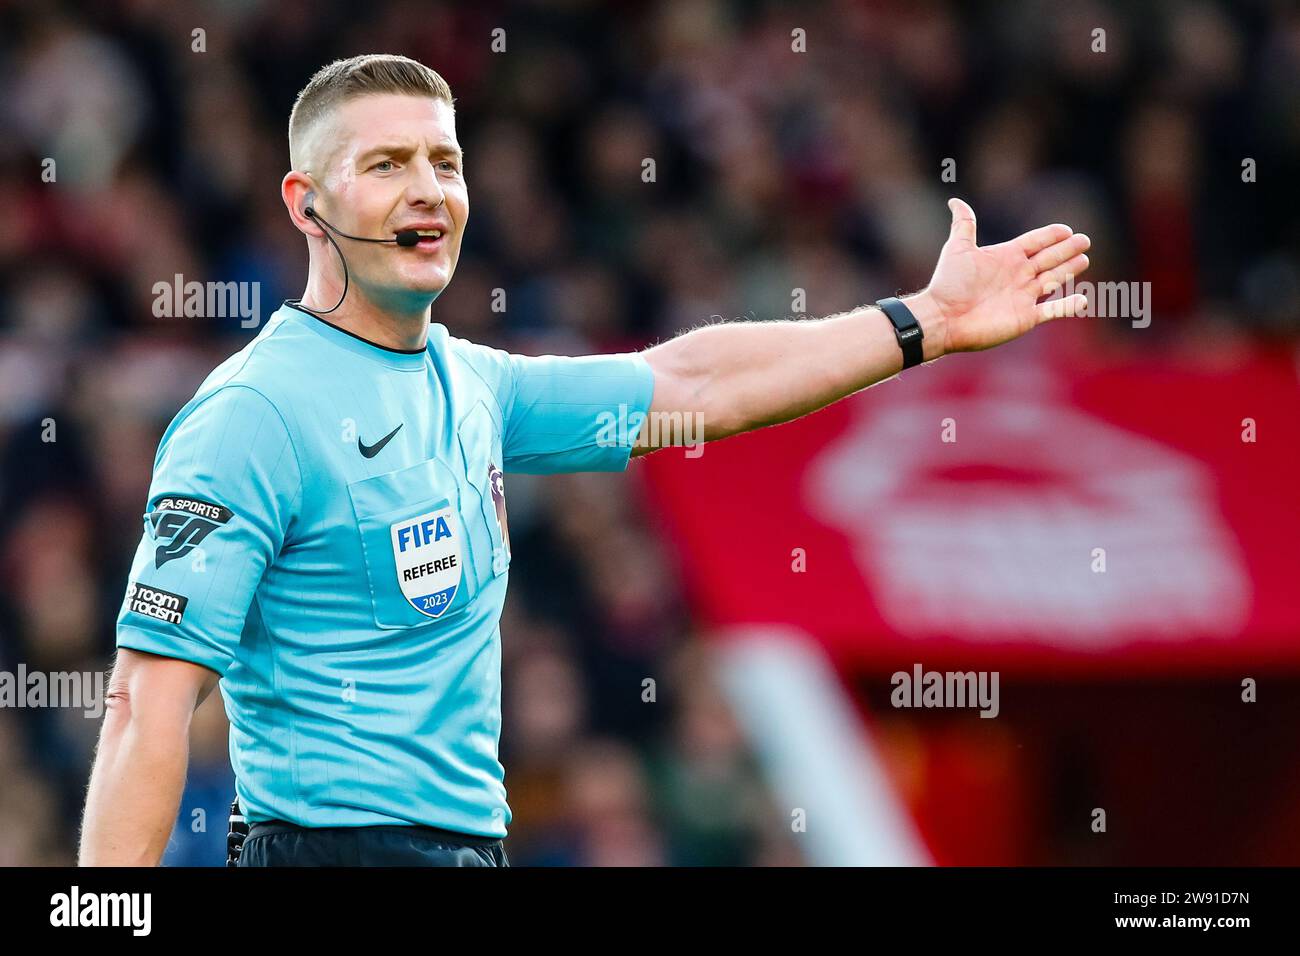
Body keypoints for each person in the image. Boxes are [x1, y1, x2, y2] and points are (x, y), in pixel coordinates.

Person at [78, 54, 1090, 867]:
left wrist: (922, 321)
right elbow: (143, 706)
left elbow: (695, 383)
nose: (428, 188)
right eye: (386, 163)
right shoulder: (252, 416)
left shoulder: (475, 385)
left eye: (443, 160)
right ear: (305, 203)